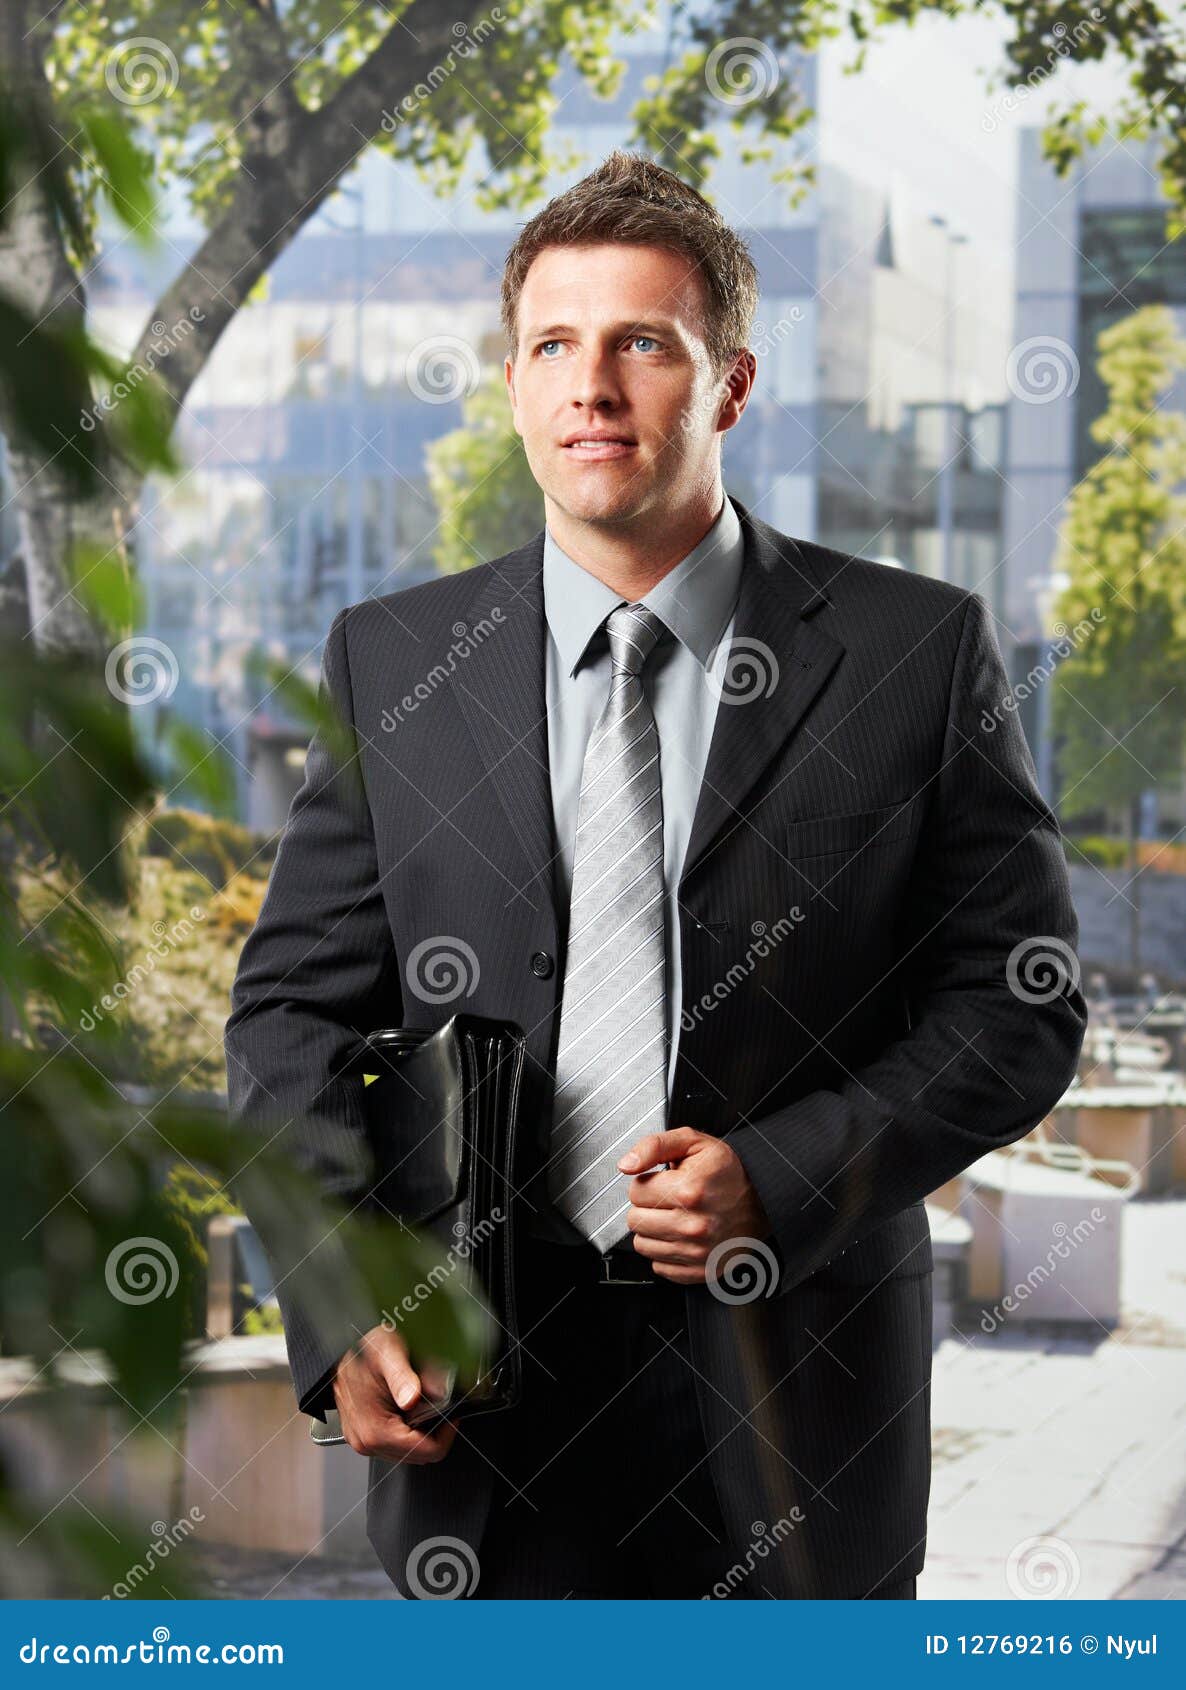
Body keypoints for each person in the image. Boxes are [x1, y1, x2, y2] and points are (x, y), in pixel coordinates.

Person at [224, 150, 1086, 1599]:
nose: (591, 386)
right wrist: (334, 1297)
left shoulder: (909, 652)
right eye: (552, 345)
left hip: (800, 1393)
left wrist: (782, 1171)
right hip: (479, 1402)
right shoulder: (394, 663)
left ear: (730, 385)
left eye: (642, 343)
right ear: (511, 385)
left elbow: (1017, 1004)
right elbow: (288, 1017)